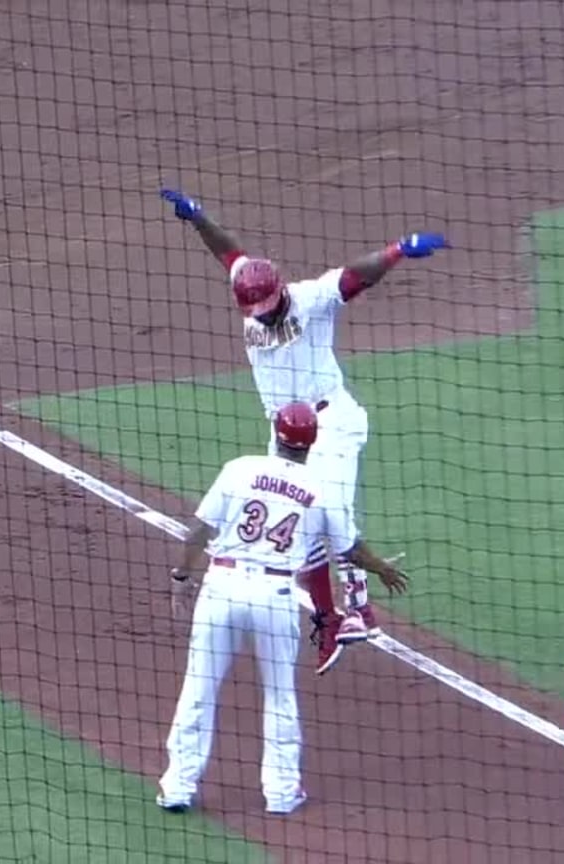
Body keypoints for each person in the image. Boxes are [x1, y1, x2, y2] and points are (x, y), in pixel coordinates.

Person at [159, 187, 445, 670]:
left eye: (268, 309)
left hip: (330, 422)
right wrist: (197, 217)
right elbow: (229, 254)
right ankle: (329, 620)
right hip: (285, 433)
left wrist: (397, 250)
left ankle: (360, 612)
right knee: (296, 523)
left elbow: (355, 276)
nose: (263, 317)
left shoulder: (309, 299)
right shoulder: (251, 292)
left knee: (331, 512)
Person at [157, 402, 409, 815]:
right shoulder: (321, 488)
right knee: (279, 695)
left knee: (199, 688)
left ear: (276, 433)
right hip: (273, 595)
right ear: (312, 441)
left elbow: (201, 529)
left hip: (222, 587)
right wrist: (381, 568)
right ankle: (280, 793)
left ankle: (177, 788)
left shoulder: (239, 469)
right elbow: (349, 548)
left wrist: (181, 577)